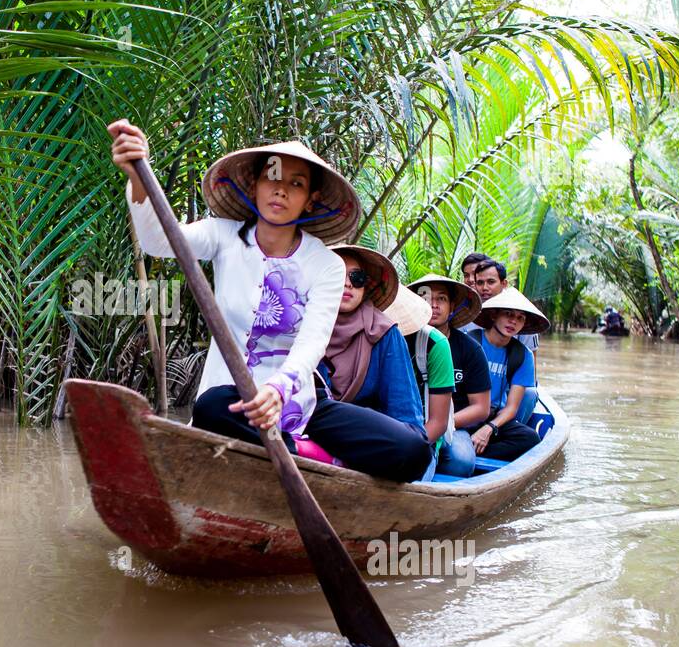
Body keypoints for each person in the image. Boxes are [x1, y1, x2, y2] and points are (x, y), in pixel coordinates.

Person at [108, 120, 359, 449]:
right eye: (272, 176)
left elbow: (312, 342)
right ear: (255, 185)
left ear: (309, 200)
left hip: (295, 405)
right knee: (211, 406)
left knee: (406, 450)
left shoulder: (325, 264)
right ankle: (295, 450)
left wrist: (279, 388)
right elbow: (159, 241)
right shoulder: (223, 235)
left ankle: (300, 446)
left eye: (296, 183)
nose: (281, 189)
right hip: (228, 407)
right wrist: (139, 178)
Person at [297, 245, 432, 482]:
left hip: (359, 441)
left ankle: (329, 458)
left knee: (415, 450)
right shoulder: (296, 323)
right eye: (338, 274)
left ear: (366, 287)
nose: (348, 283)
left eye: (356, 278)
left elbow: (409, 422)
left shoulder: (385, 334)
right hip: (299, 424)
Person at [409, 274, 488, 477]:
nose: (434, 305)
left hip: (454, 424)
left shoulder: (470, 349)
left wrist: (442, 421)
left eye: (441, 299)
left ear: (452, 307)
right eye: (426, 298)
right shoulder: (401, 340)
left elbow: (481, 408)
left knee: (462, 460)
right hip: (410, 420)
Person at [464, 286, 550, 462]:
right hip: (465, 413)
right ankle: (466, 451)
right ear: (495, 315)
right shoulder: (469, 342)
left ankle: (476, 451)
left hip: (493, 417)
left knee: (530, 438)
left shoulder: (523, 355)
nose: (513, 322)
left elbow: (511, 408)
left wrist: (489, 428)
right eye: (508, 314)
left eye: (520, 318)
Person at [386, 285, 455, 481]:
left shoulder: (435, 344)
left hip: (421, 437)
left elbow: (438, 422)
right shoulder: (367, 333)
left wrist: (404, 449)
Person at [464, 257, 539, 422]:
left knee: (529, 393)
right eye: (480, 282)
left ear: (503, 284)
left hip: (509, 388)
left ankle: (507, 426)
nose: (485, 288)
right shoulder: (466, 315)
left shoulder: (522, 329)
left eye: (491, 282)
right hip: (471, 393)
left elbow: (530, 370)